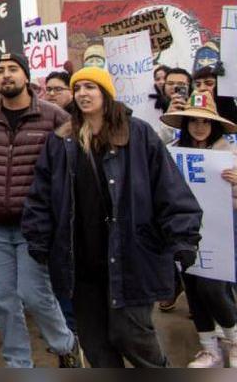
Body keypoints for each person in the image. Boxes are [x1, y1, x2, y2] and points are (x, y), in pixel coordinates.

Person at [23, 66, 202, 368]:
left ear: (105, 94)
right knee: (95, 345)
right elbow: (41, 196)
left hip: (131, 257)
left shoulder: (138, 133)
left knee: (131, 334)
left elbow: (170, 190)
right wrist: (39, 238)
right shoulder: (60, 140)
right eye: (78, 88)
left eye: (91, 87)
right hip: (81, 262)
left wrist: (183, 237)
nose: (82, 94)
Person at [0, 54, 79, 368]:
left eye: (13, 69)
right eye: (0, 71)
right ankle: (17, 363)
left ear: (26, 77)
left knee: (33, 294)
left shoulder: (53, 117)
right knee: (5, 301)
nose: (6, 76)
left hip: (35, 226)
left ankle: (65, 343)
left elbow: (71, 166)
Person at [161, 92, 237, 368]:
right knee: (193, 287)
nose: (198, 127)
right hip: (185, 232)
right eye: (192, 121)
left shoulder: (230, 152)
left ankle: (233, 339)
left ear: (214, 124)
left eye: (204, 121)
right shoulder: (172, 152)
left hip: (221, 233)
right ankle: (208, 348)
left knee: (213, 288)